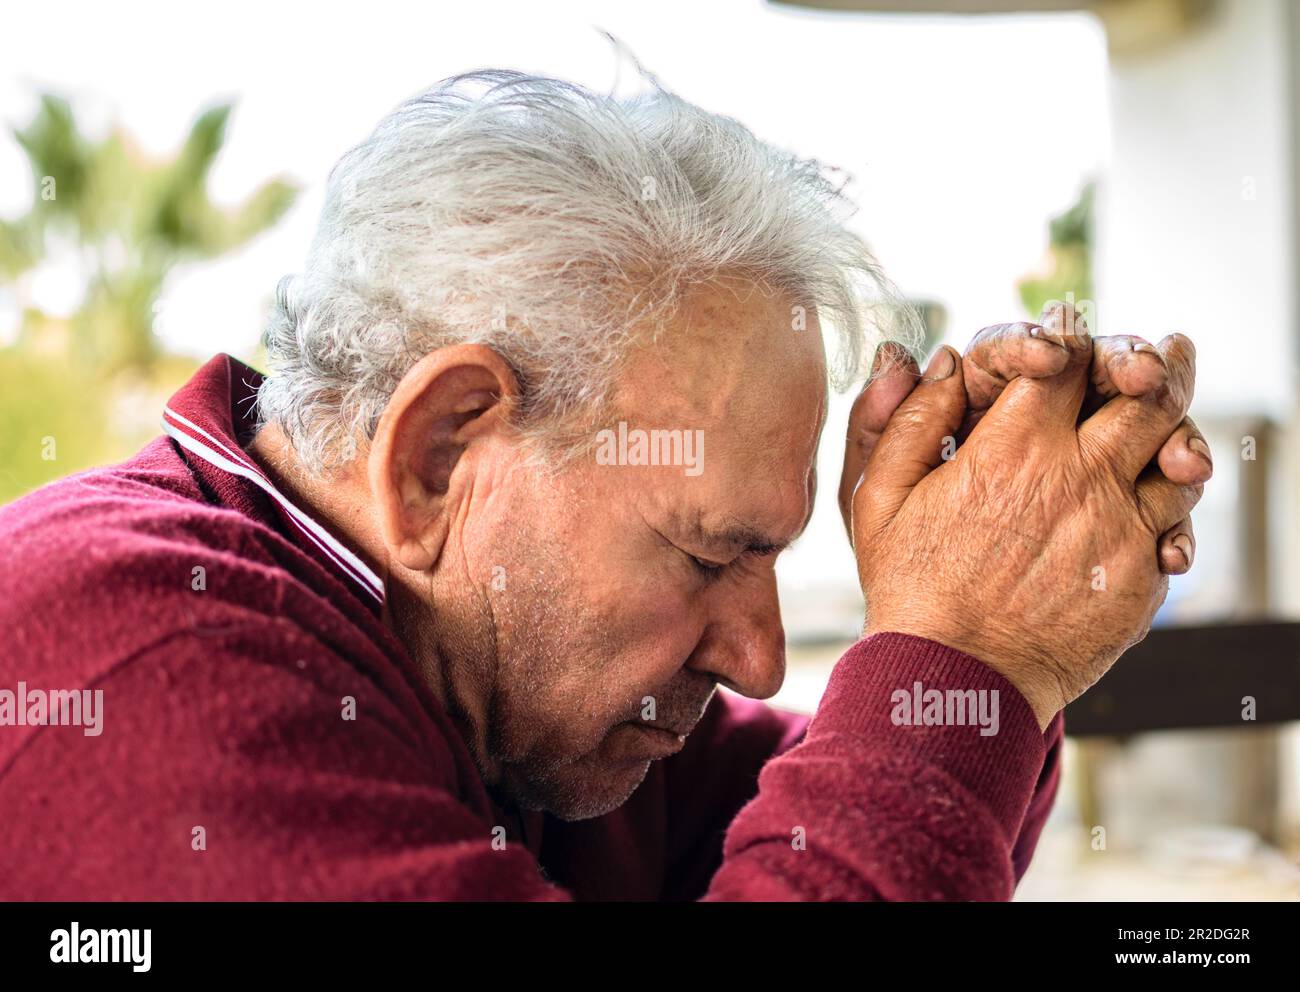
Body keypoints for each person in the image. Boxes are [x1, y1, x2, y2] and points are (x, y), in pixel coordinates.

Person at [0, 71, 1209, 900]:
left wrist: (1000, 570)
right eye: (708, 555)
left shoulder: (511, 684)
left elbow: (859, 822)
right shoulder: (137, 666)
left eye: (775, 555)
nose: (757, 654)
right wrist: (971, 650)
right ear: (437, 455)